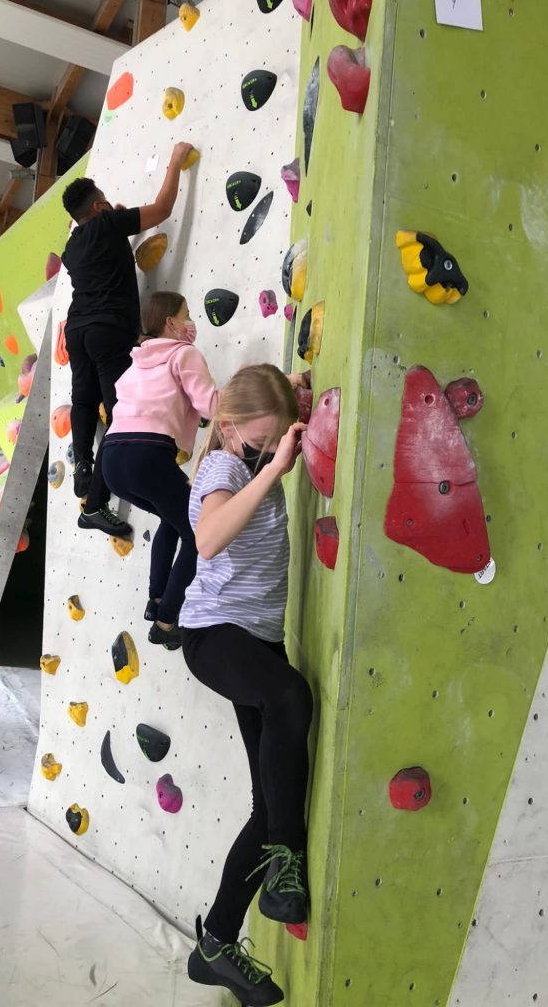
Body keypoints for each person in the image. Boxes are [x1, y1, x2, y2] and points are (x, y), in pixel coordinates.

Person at [180, 365, 313, 1007]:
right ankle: (287, 862)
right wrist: (271, 466)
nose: (267, 452)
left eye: (273, 442)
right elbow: (207, 540)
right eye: (257, 442)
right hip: (215, 634)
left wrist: (297, 396)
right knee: (290, 696)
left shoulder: (248, 449)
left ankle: (215, 945)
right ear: (229, 429)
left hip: (257, 639)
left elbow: (278, 402)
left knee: (269, 804)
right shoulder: (223, 468)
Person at [61, 140, 196, 538]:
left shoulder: (73, 246)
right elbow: (163, 209)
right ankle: (94, 505)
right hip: (108, 331)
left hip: (77, 330)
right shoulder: (108, 225)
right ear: (99, 206)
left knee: (84, 400)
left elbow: (103, 246)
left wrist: (112, 217)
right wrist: (175, 161)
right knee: (122, 419)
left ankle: (82, 466)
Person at [101, 291, 220, 650]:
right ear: (171, 322)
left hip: (112, 460)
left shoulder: (135, 364)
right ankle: (167, 622)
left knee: (172, 519)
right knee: (199, 529)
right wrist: (256, 388)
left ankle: (156, 600)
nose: (190, 322)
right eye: (186, 314)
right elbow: (213, 406)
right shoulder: (183, 354)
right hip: (147, 454)